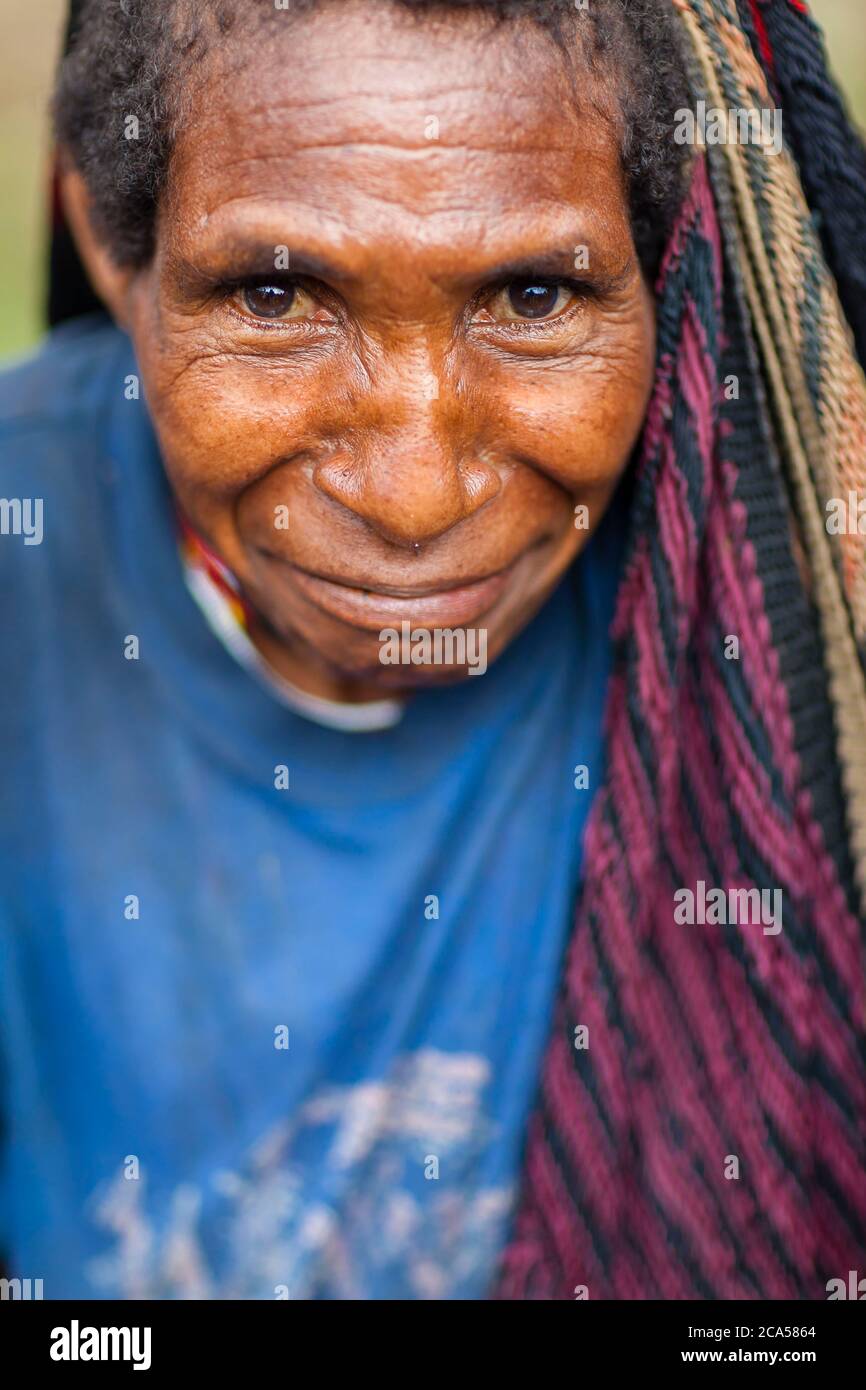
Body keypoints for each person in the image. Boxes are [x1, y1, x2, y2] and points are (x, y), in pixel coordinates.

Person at [1, 0, 864, 1300]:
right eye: (275, 294)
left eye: (533, 296)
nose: (413, 495)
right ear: (114, 253)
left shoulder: (771, 611)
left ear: (666, 273)